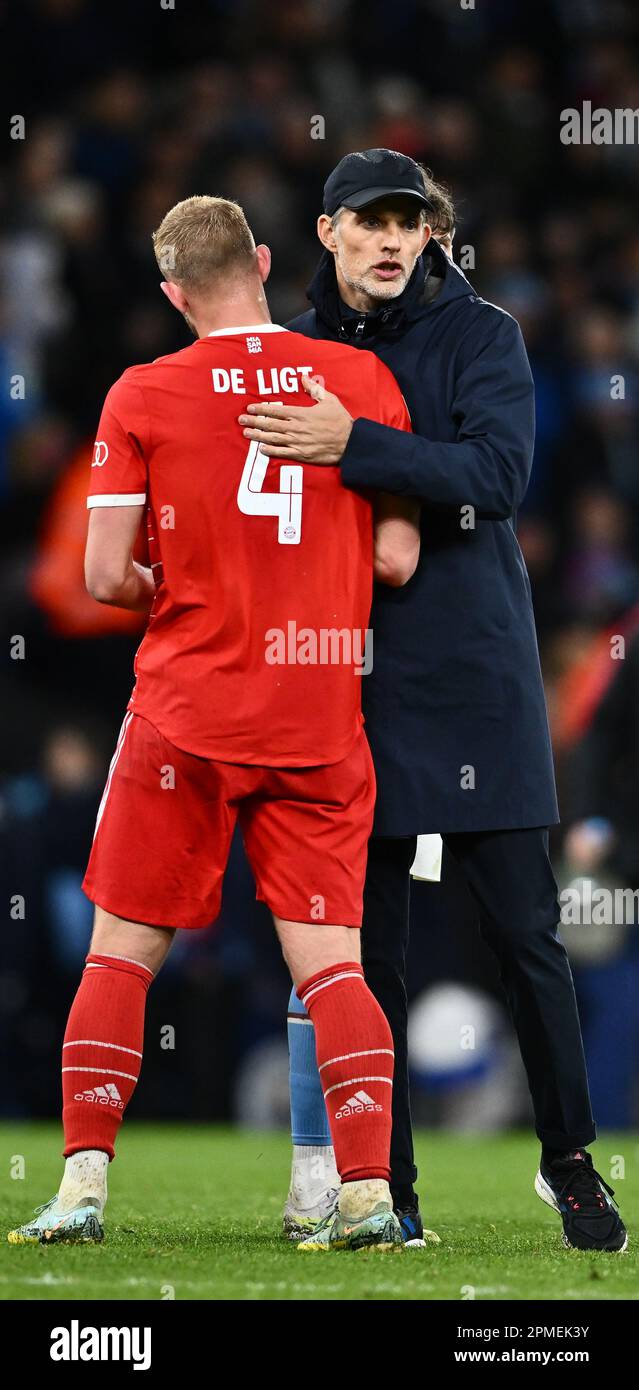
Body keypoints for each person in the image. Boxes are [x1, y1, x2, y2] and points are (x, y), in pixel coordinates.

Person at [8, 193, 422, 1254]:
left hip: (186, 713)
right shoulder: (362, 379)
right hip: (318, 711)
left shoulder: (143, 390)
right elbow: (397, 559)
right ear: (270, 262)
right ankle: (369, 1198)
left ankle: (83, 1188)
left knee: (118, 957)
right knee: (334, 966)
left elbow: (103, 575)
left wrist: (183, 581)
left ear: (172, 293)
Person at [239, 149, 628, 1254]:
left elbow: (497, 476)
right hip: (350, 677)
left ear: (429, 233)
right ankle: (389, 1190)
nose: (392, 241)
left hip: (477, 670)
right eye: (370, 223)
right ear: (328, 234)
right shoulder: (296, 353)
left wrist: (353, 445)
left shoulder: (484, 335)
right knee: (368, 956)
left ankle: (568, 1161)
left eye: (408, 223)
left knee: (527, 936)